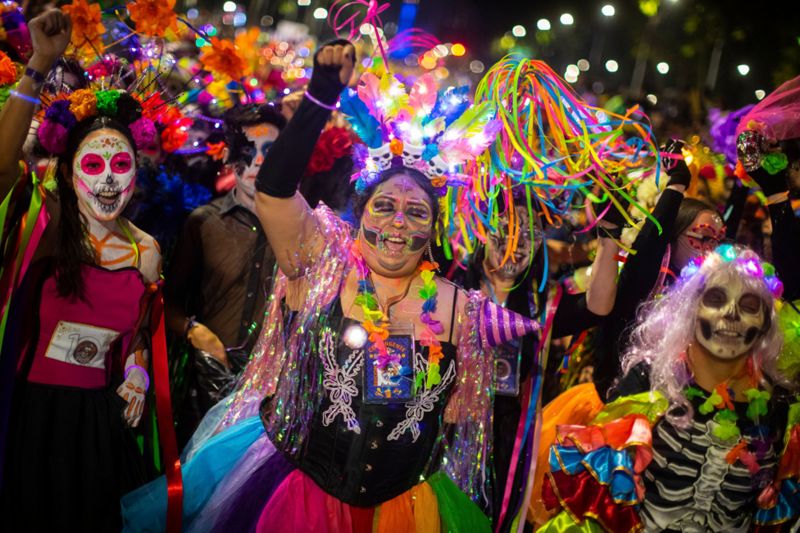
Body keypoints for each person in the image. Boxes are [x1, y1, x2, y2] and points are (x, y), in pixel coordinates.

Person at [122, 41, 540, 532]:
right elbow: (275, 190)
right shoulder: (322, 267)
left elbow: (455, 426)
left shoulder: (461, 310)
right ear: (360, 212)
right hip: (296, 495)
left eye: (416, 211)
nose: (398, 223)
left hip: (405, 510)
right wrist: (321, 96)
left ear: (433, 229)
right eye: (384, 206)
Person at [0, 9, 169, 530]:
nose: (109, 181)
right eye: (93, 165)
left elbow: (138, 336)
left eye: (121, 165)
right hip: (27, 415)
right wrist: (39, 65)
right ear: (69, 171)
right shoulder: (40, 224)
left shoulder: (146, 250)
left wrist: (138, 369)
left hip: (96, 426)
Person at [539, 243, 799, 531]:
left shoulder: (779, 407)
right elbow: (604, 504)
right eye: (716, 299)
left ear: (765, 325)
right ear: (690, 310)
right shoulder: (649, 382)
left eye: (749, 306)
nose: (731, 314)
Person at [165, 103, 286, 435]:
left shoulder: (304, 227)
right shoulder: (204, 223)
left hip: (276, 395)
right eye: (247, 150)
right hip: (211, 386)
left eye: (270, 151)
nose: (258, 161)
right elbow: (167, 303)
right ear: (229, 156)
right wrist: (195, 332)